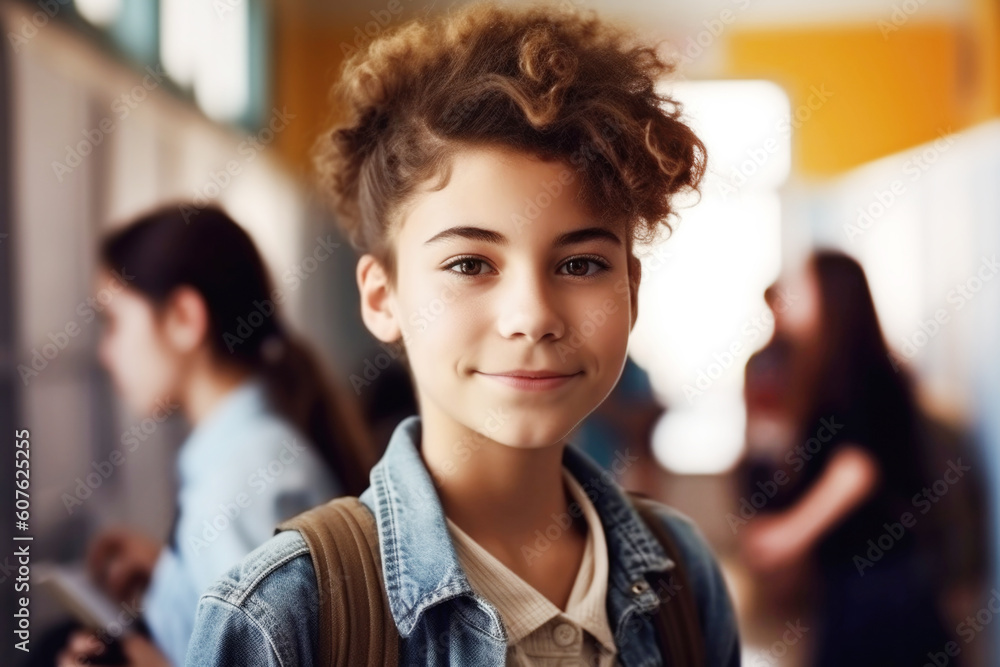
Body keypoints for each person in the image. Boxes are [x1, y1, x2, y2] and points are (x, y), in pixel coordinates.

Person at [185, 3, 740, 665]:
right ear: (383, 297)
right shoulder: (283, 612)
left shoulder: (682, 575)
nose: (531, 315)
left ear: (632, 287)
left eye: (582, 263)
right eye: (470, 264)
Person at [52, 205, 378, 666]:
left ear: (184, 318)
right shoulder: (255, 455)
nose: (106, 353)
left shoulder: (238, 487)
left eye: (113, 322)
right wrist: (171, 575)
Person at [737, 249, 959, 665]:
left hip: (884, 578)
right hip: (851, 573)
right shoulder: (824, 371)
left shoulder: (863, 371)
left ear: (831, 296)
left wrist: (789, 533)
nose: (792, 299)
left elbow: (855, 470)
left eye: (803, 288)